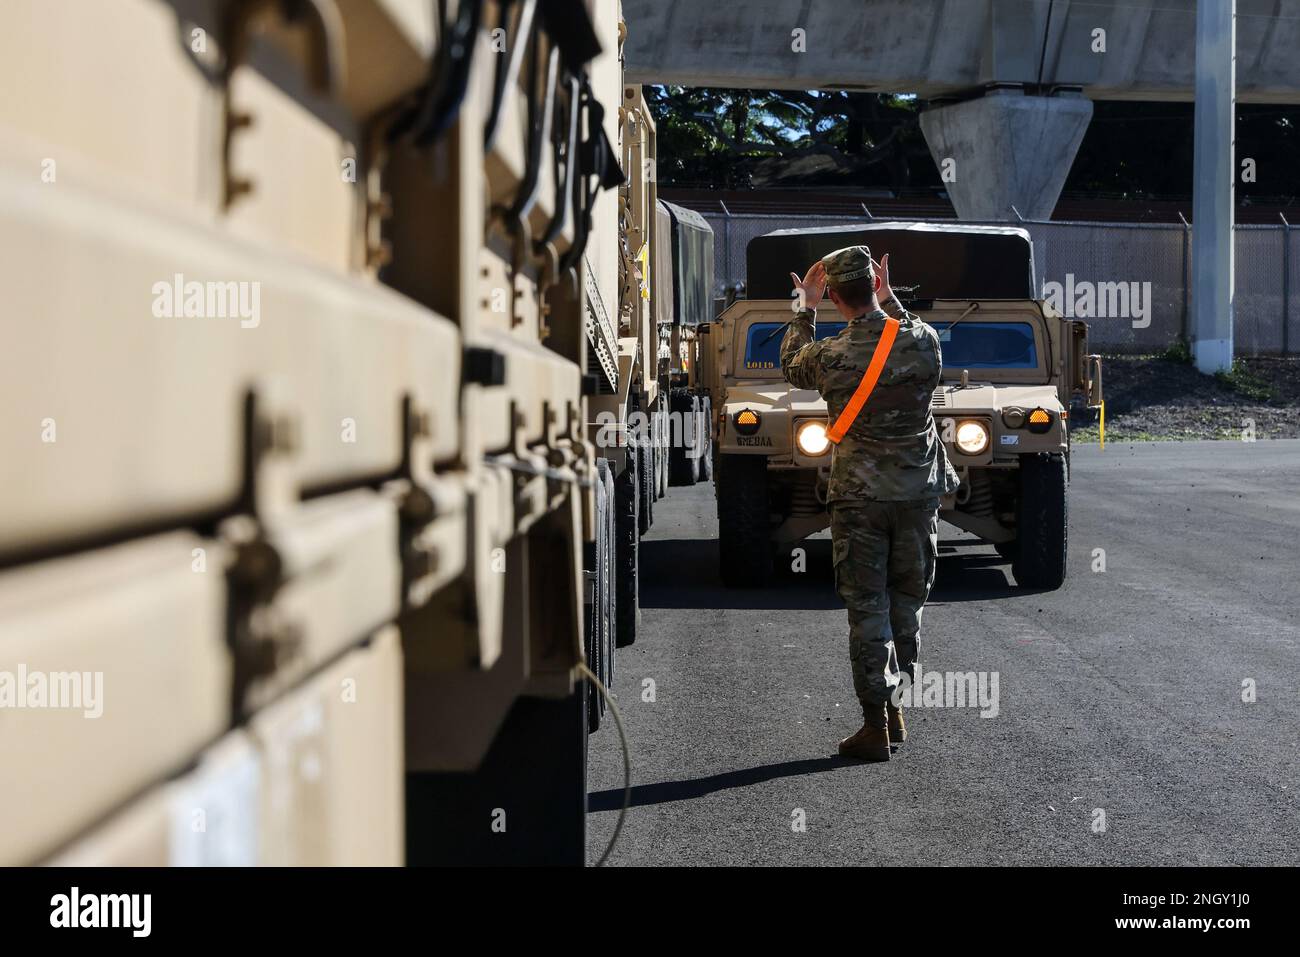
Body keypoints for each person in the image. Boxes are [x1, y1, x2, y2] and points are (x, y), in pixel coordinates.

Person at [780, 246, 959, 762]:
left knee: (867, 609)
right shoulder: (924, 343)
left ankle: (875, 724)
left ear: (835, 296)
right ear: (876, 286)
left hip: (859, 500)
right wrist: (890, 298)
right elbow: (905, 328)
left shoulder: (830, 355)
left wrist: (804, 307)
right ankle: (897, 706)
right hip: (918, 493)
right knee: (908, 603)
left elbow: (792, 365)